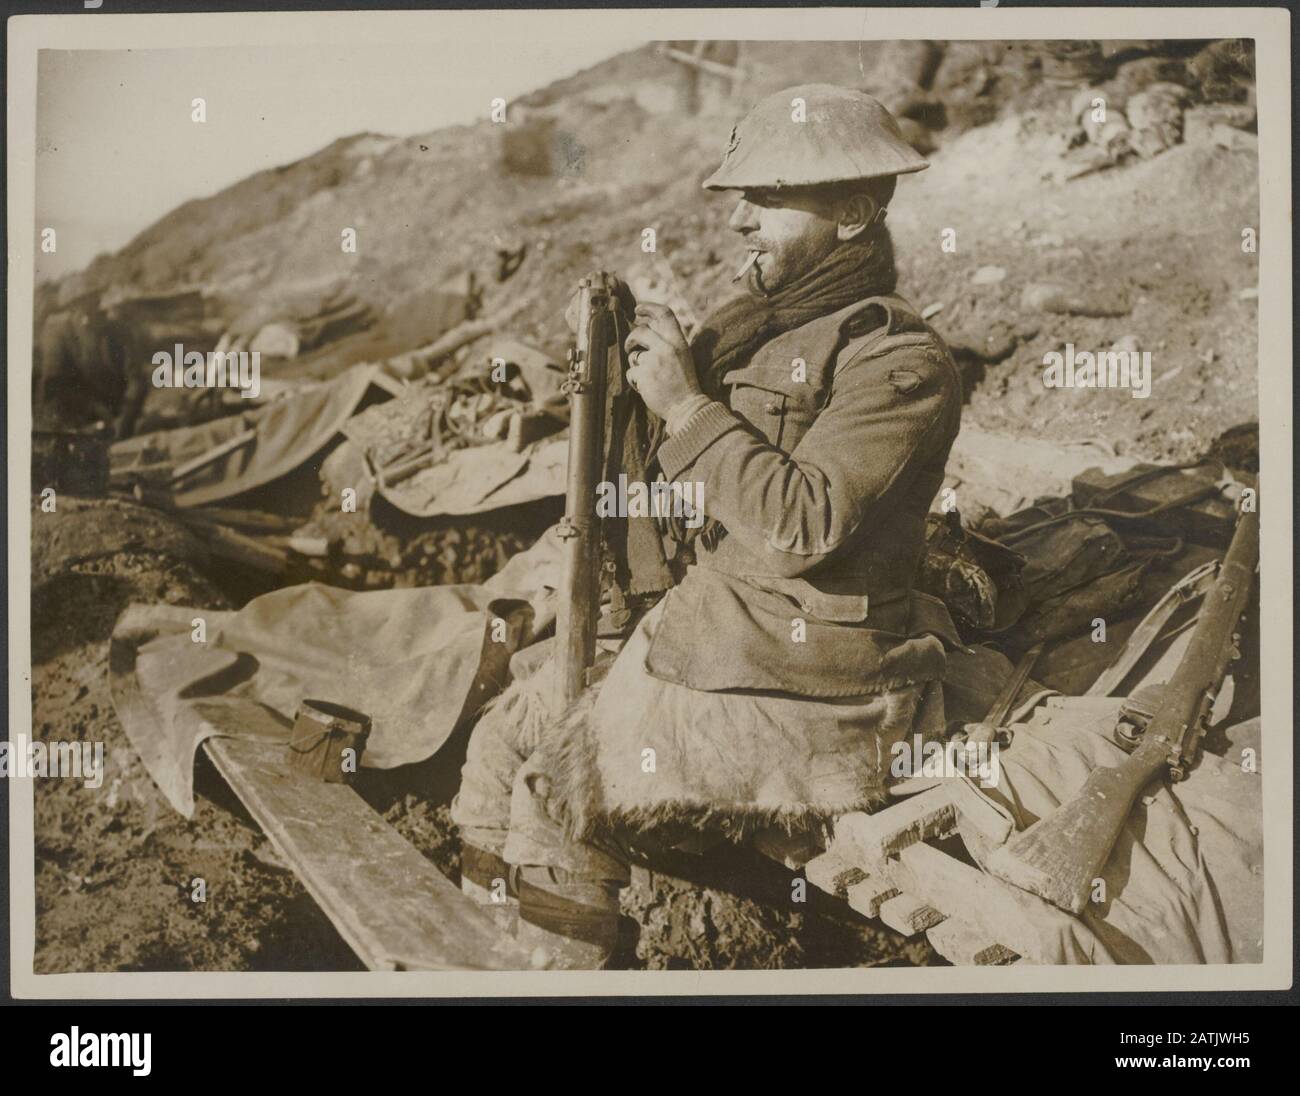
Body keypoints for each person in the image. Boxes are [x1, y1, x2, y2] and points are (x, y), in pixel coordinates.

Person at [452, 84, 965, 968]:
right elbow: (691, 490)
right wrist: (643, 377)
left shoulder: (897, 358)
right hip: (725, 633)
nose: (740, 222)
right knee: (506, 733)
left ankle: (547, 974)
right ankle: (469, 956)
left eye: (767, 199)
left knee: (562, 786)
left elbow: (804, 523)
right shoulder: (765, 334)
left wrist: (687, 406)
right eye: (743, 200)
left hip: (811, 674)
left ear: (852, 213)